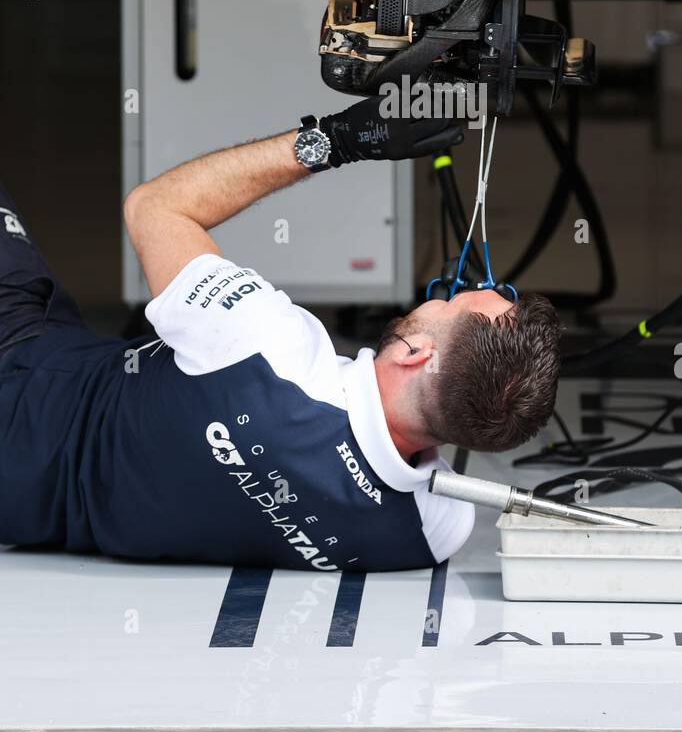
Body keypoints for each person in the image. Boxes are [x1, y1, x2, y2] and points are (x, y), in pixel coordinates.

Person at [0, 95, 561, 572]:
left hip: (22, 365)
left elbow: (156, 208)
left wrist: (337, 141)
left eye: (452, 299)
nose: (440, 293)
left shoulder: (265, 347)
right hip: (24, 507)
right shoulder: (432, 533)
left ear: (416, 354)